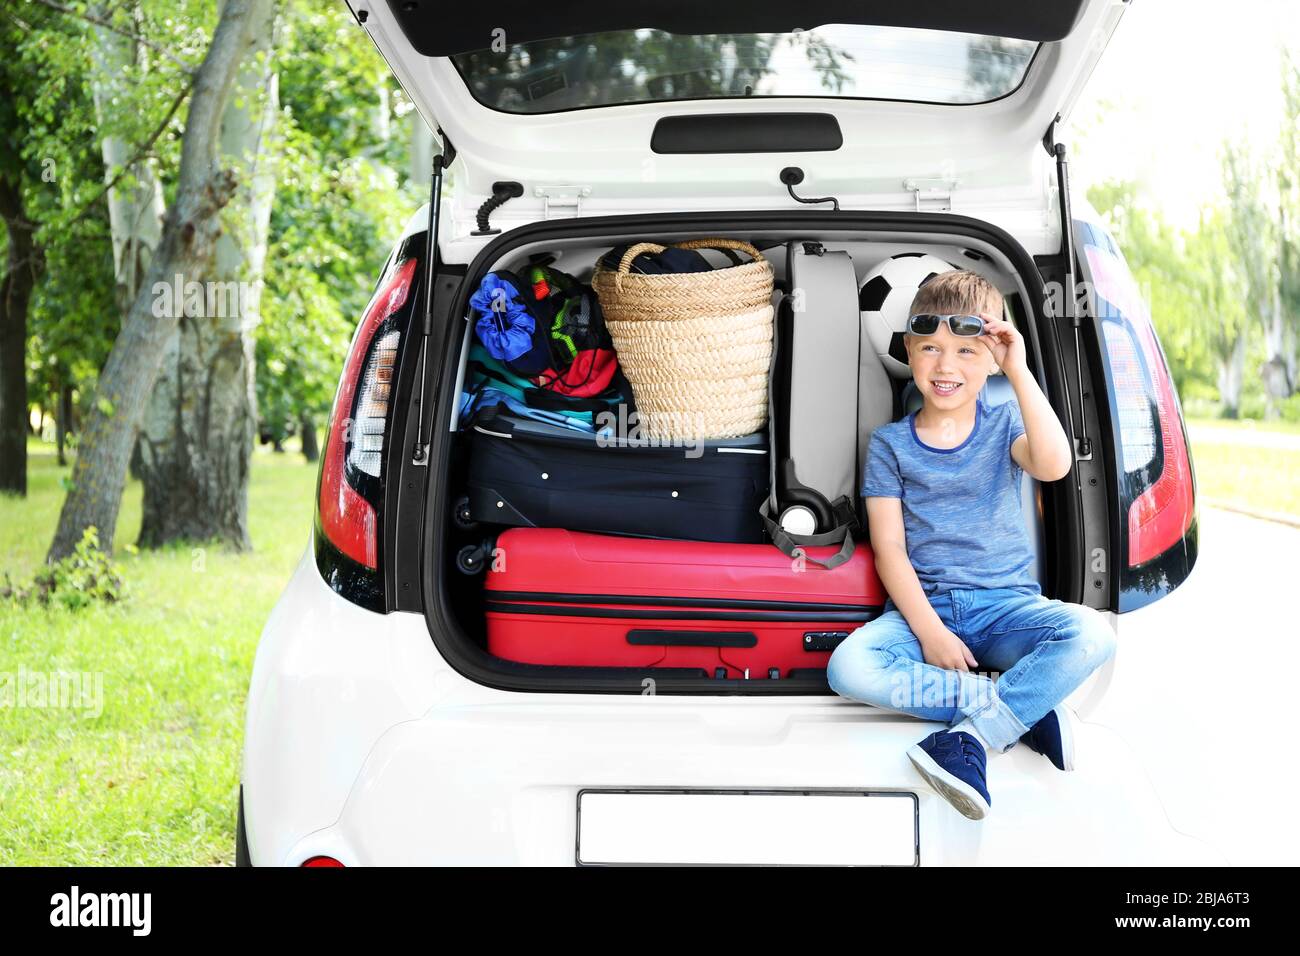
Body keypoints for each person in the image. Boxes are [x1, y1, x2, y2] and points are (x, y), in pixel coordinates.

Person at [826, 270, 1117, 820]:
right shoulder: (888, 445)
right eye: (930, 348)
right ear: (909, 350)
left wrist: (1020, 368)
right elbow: (890, 552)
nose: (946, 366)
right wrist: (931, 632)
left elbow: (1054, 465)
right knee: (849, 669)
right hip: (924, 613)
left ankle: (970, 741)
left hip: (1005, 609)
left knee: (1091, 636)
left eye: (966, 350)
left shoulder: (1006, 422)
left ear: (989, 359)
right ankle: (1019, 709)